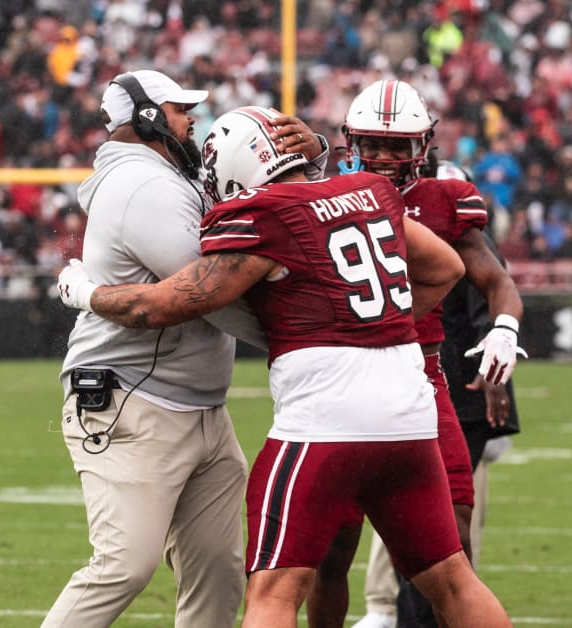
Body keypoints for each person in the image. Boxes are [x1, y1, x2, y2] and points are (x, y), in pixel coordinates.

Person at [57, 105, 513, 628]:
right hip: (409, 414)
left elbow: (161, 306)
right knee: (453, 581)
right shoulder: (371, 191)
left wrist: (85, 292)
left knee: (274, 591)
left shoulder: (261, 214)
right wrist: (370, 325)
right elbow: (447, 267)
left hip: (325, 421)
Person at [42, 71, 329, 628]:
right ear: (147, 117)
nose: (192, 119)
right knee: (123, 566)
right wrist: (304, 335)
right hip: (133, 400)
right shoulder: (141, 185)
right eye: (179, 109)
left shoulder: (169, 176)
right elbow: (211, 293)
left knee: (217, 576)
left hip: (199, 408)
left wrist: (312, 159)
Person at [314, 78, 524, 628]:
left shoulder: (445, 199)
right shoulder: (318, 197)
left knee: (454, 536)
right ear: (352, 142)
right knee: (334, 549)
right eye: (373, 144)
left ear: (422, 146)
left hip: (422, 376)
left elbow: (496, 280)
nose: (384, 157)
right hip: (343, 376)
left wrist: (504, 329)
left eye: (396, 146)